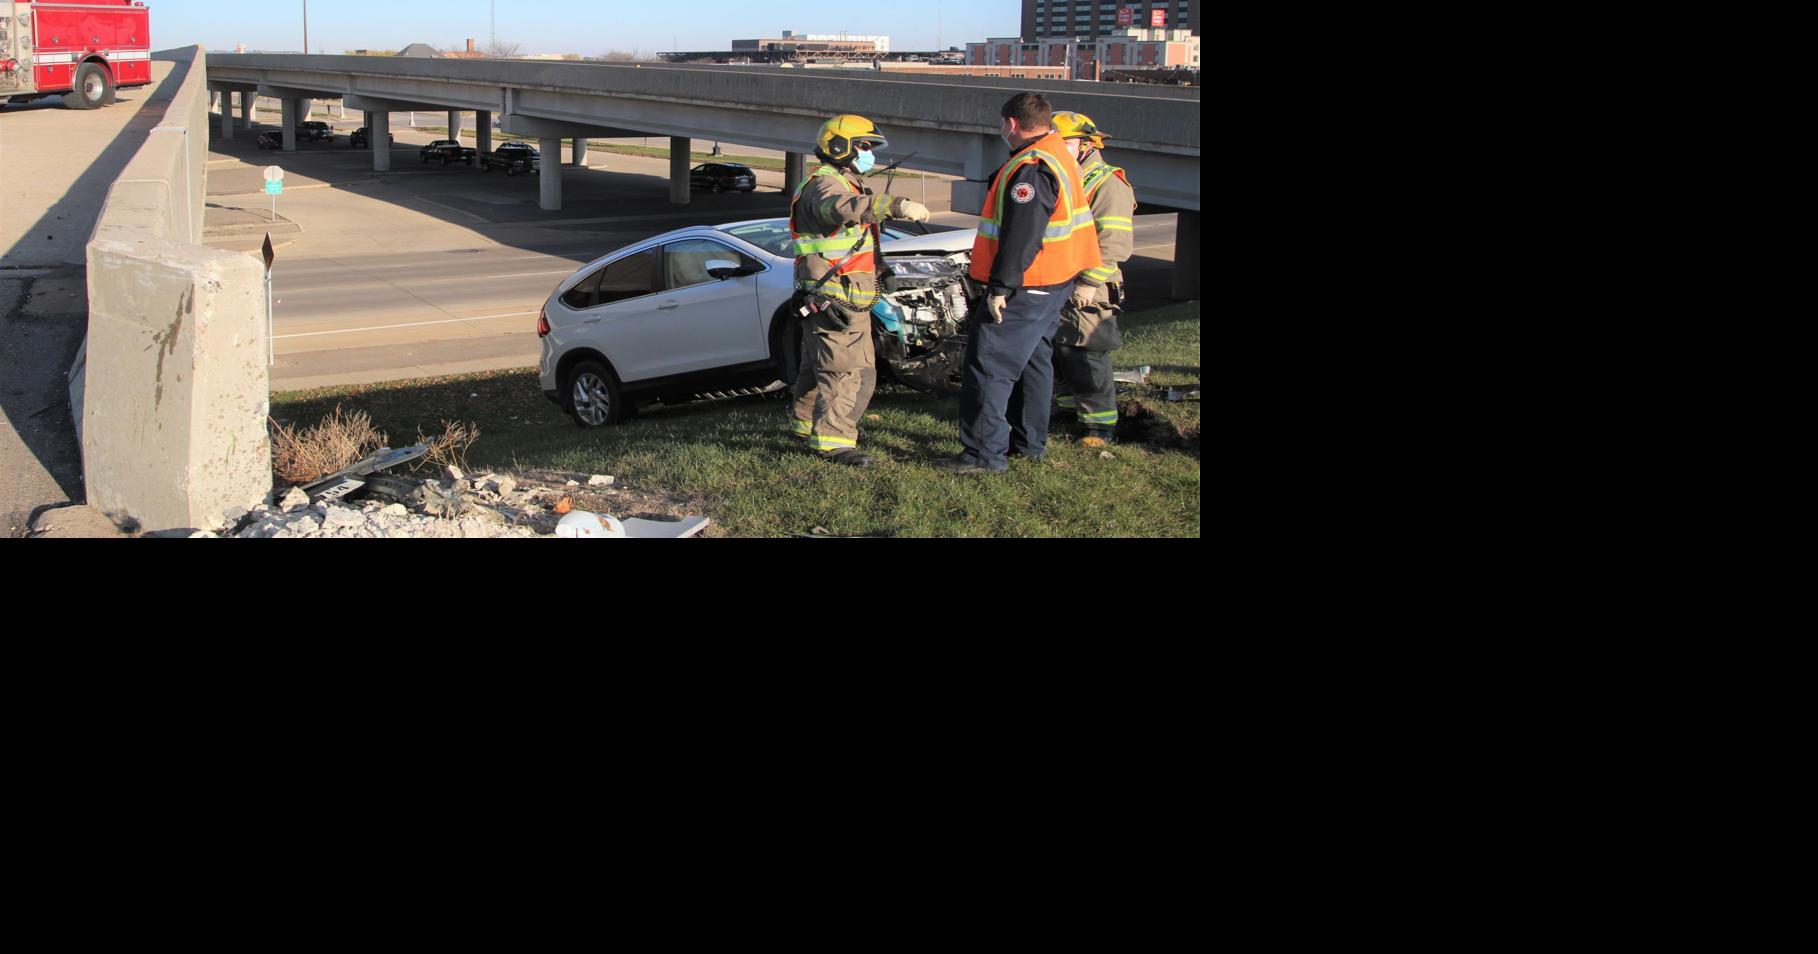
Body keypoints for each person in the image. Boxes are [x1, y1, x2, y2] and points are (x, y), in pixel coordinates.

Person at [932, 93, 1101, 475]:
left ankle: (982, 455)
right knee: (1033, 363)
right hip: (1055, 281)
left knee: (990, 365)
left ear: (1011, 124)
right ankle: (1028, 444)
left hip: (1027, 285)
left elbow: (1021, 237)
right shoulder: (1058, 154)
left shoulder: (1030, 168)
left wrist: (1000, 288)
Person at [786, 114, 930, 468]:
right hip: (835, 296)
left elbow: (856, 241)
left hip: (838, 294)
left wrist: (882, 271)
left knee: (818, 367)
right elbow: (838, 211)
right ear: (840, 147)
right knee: (846, 371)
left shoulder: (846, 183)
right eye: (863, 147)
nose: (869, 154)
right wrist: (895, 206)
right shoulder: (826, 185)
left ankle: (806, 425)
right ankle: (833, 442)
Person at [1050, 111, 1137, 448]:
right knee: (1062, 351)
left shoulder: (1107, 183)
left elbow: (1113, 243)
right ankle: (1068, 411)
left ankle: (1099, 426)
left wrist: (1088, 283)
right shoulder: (1066, 176)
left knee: (1087, 354)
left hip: (1090, 284)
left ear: (1086, 144)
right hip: (1060, 280)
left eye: (1064, 141)